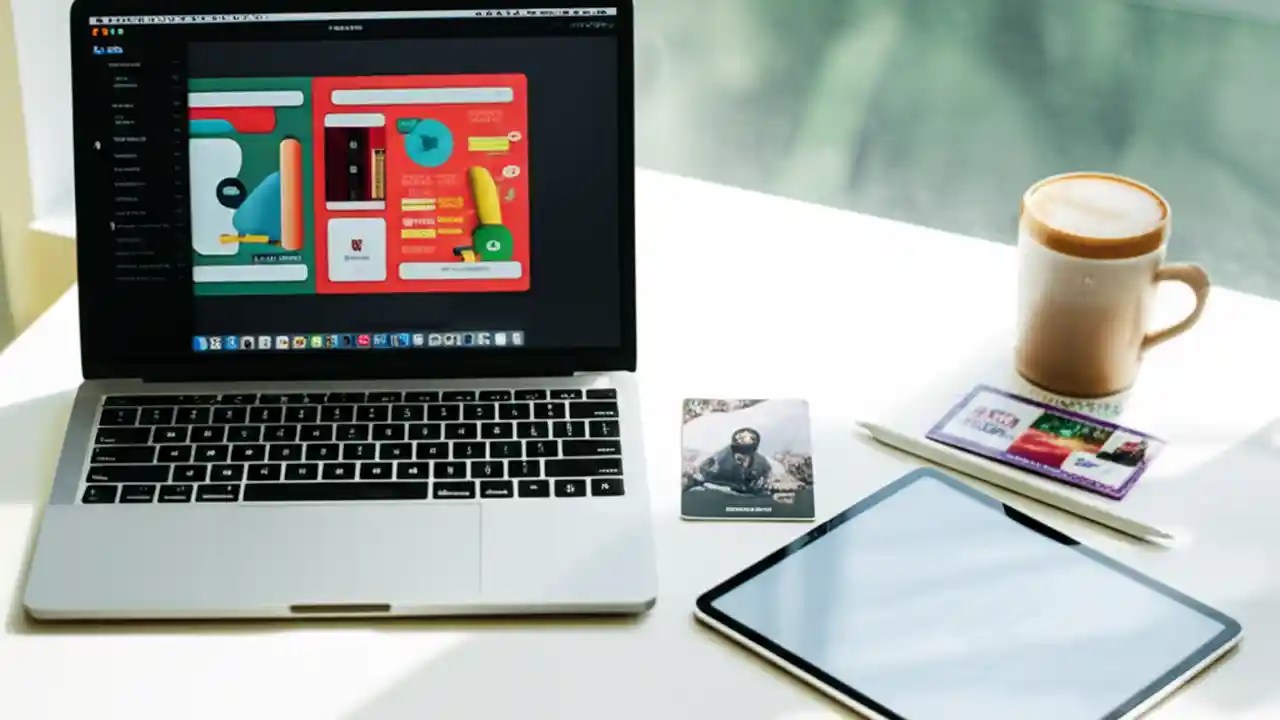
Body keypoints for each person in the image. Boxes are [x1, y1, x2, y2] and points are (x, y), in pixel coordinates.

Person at [692, 427, 773, 495]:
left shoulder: (762, 464)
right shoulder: (719, 461)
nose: (742, 457)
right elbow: (700, 475)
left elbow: (767, 480)